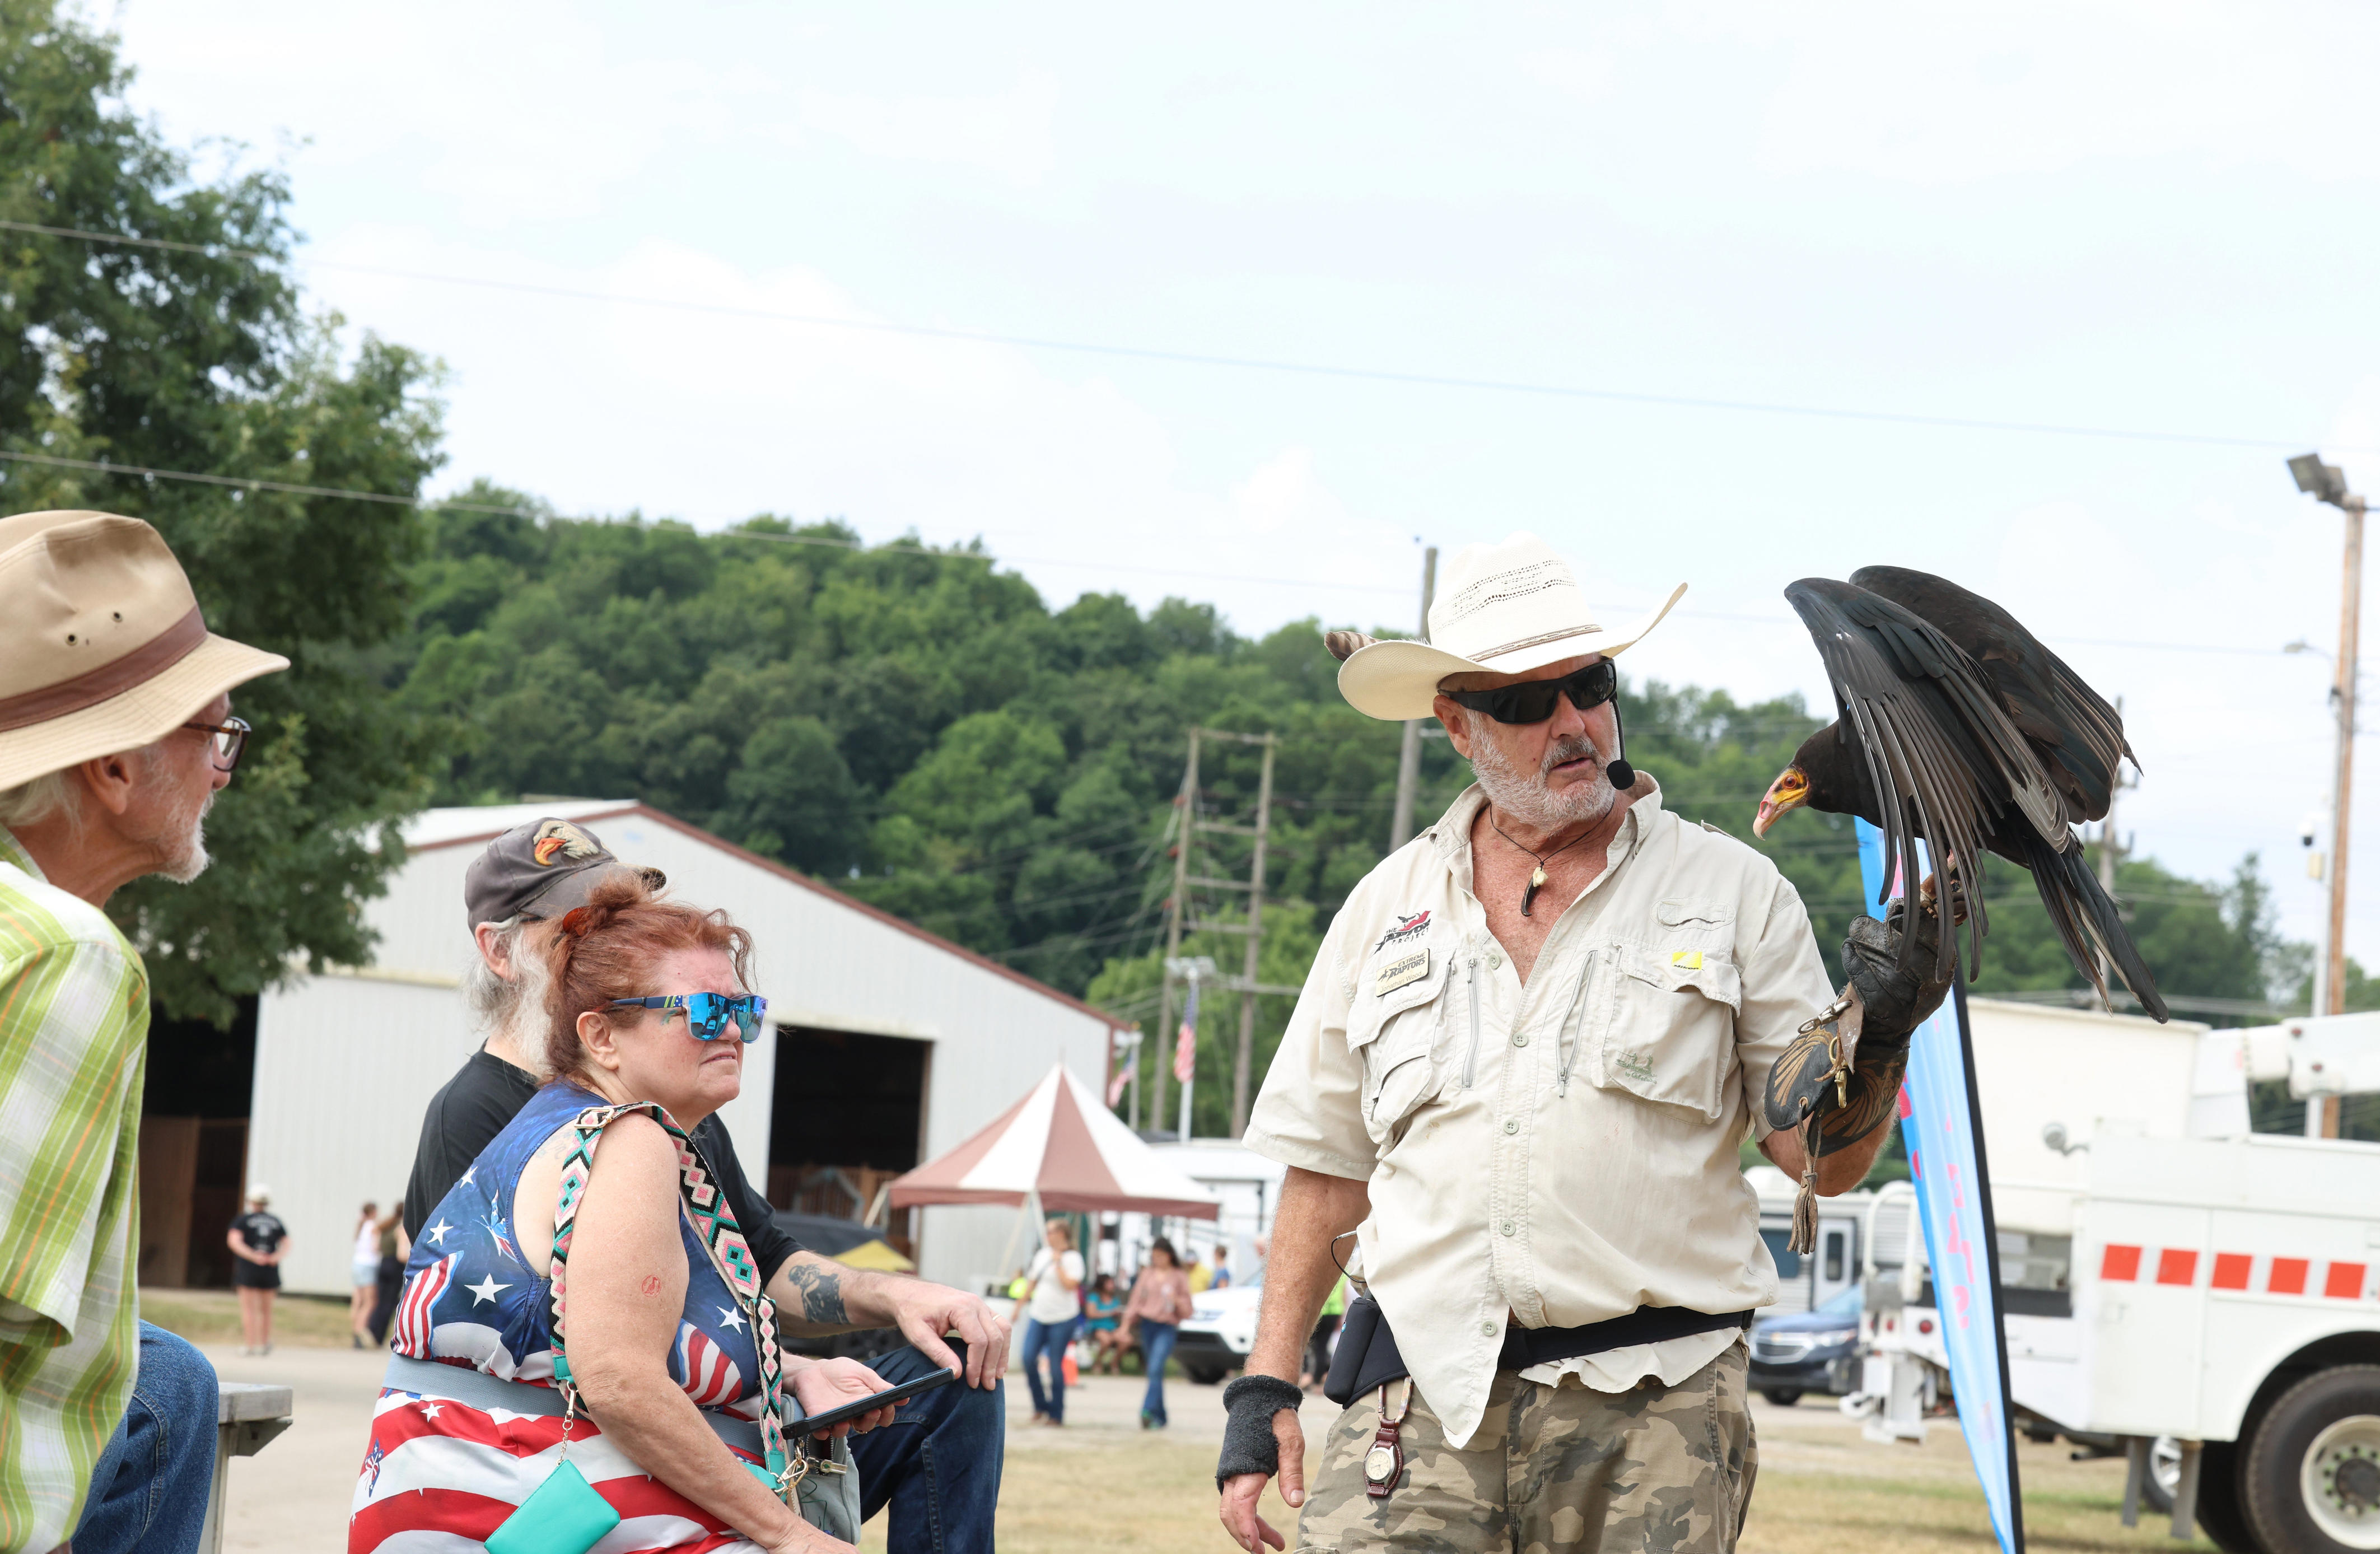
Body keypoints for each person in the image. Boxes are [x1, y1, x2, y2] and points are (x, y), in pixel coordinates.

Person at [1213, 534, 1952, 1554]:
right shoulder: (1383, 908)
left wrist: (1883, 1034)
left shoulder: (1737, 893)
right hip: (1414, 1403)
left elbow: (1822, 1161)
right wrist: (1263, 1389)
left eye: (1589, 683)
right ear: (1457, 722)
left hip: (1658, 1412)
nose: (1571, 722)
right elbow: (1326, 1168)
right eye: (1525, 702)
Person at [403, 817, 1009, 1553]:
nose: (614, 934)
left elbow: (767, 1259)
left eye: (622, 915)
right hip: (587, 1466)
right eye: (581, 921)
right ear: (498, 950)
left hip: (728, 1418)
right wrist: (790, 1383)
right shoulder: (485, 1116)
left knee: (951, 1366)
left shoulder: (660, 1098)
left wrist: (902, 1295)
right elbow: (568, 1361)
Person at [0, 507, 288, 1551]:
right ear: (113, 769)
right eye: (214, 732)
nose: (224, 767)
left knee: (164, 1374)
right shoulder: (66, 952)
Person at [1120, 1239, 1194, 1429]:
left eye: (1160, 1256)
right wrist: (1125, 1326)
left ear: (1169, 1256)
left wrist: (1176, 1300)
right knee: (1155, 1372)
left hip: (1166, 1327)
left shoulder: (1179, 1276)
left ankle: (1147, 1411)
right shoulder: (1148, 1274)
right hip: (1147, 1326)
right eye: (1154, 1257)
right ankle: (1160, 1417)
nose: (1157, 1260)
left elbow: (1188, 1308)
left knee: (1155, 1368)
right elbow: (1135, 1301)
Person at [1019, 1218, 1085, 1426]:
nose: (1047, 1236)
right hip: (1039, 1314)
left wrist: (1058, 1264)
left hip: (1063, 1318)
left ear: (1062, 1235)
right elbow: (1032, 1282)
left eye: (1051, 1232)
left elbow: (1070, 1286)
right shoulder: (1042, 1255)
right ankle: (1040, 1406)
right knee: (1028, 1358)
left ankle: (1056, 1413)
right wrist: (1018, 1307)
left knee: (1056, 1365)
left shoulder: (1074, 1258)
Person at [227, 1186, 289, 1355]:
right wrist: (275, 1257)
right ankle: (264, 1344)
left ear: (251, 1201)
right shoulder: (275, 1221)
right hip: (269, 1268)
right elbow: (287, 1243)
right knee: (267, 1309)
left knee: (249, 1309)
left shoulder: (243, 1220)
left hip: (249, 1269)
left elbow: (234, 1241)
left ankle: (250, 1344)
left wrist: (253, 1256)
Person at [366, 1201, 410, 1346]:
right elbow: (401, 1255)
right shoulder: (401, 1229)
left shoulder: (386, 1226)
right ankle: (378, 1338)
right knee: (389, 1303)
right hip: (395, 1267)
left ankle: (370, 1332)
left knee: (379, 1301)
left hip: (383, 1264)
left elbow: (376, 1247)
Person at [348, 1200, 382, 1348]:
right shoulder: (374, 1227)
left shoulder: (361, 1226)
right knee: (370, 1302)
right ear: (373, 1212)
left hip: (357, 1264)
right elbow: (375, 1247)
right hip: (368, 1265)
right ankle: (360, 1331)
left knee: (358, 1301)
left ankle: (355, 1330)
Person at [1081, 1272, 1128, 1375]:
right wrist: (1110, 1313)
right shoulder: (1094, 1297)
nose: (1112, 1286)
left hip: (1112, 1327)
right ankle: (1098, 1363)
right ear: (1102, 1284)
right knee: (1106, 1340)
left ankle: (1114, 1363)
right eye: (1109, 1283)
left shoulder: (1115, 1299)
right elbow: (1091, 1314)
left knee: (1127, 1340)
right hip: (1097, 1327)